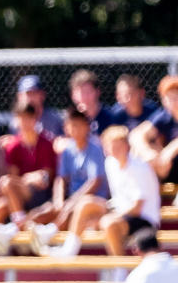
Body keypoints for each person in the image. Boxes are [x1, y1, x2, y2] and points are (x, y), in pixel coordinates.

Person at [49, 125, 159, 266]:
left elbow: (137, 208)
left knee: (108, 223)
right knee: (86, 203)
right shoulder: (110, 163)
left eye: (118, 146)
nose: (114, 150)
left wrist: (105, 217)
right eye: (110, 146)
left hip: (145, 219)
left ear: (127, 146)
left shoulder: (140, 168)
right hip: (121, 212)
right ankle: (69, 251)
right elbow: (119, 201)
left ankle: (120, 269)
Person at [30, 108, 108, 255]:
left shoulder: (95, 147)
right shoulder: (67, 149)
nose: (74, 129)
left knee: (71, 208)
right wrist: (58, 200)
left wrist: (72, 200)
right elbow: (61, 179)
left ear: (86, 126)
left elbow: (95, 181)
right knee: (43, 212)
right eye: (71, 125)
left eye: (78, 125)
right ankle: (18, 232)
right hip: (72, 199)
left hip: (93, 200)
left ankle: (51, 231)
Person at [0, 103, 56, 228]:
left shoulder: (45, 143)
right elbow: (14, 178)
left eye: (28, 118)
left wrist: (32, 178)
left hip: (41, 194)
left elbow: (46, 178)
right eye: (21, 118)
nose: (25, 122)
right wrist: (30, 177)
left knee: (6, 182)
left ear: (35, 119)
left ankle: (19, 226)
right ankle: (17, 229)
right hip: (21, 193)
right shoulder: (13, 146)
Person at [132, 75, 178, 186]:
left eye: (176, 97)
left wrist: (171, 149)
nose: (172, 102)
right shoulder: (164, 116)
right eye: (168, 97)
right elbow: (136, 134)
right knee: (136, 151)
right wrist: (147, 151)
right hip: (169, 171)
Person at [69, 69, 115, 137]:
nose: (85, 96)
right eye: (81, 92)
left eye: (88, 92)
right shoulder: (69, 119)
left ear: (97, 92)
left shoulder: (110, 118)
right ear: (73, 94)